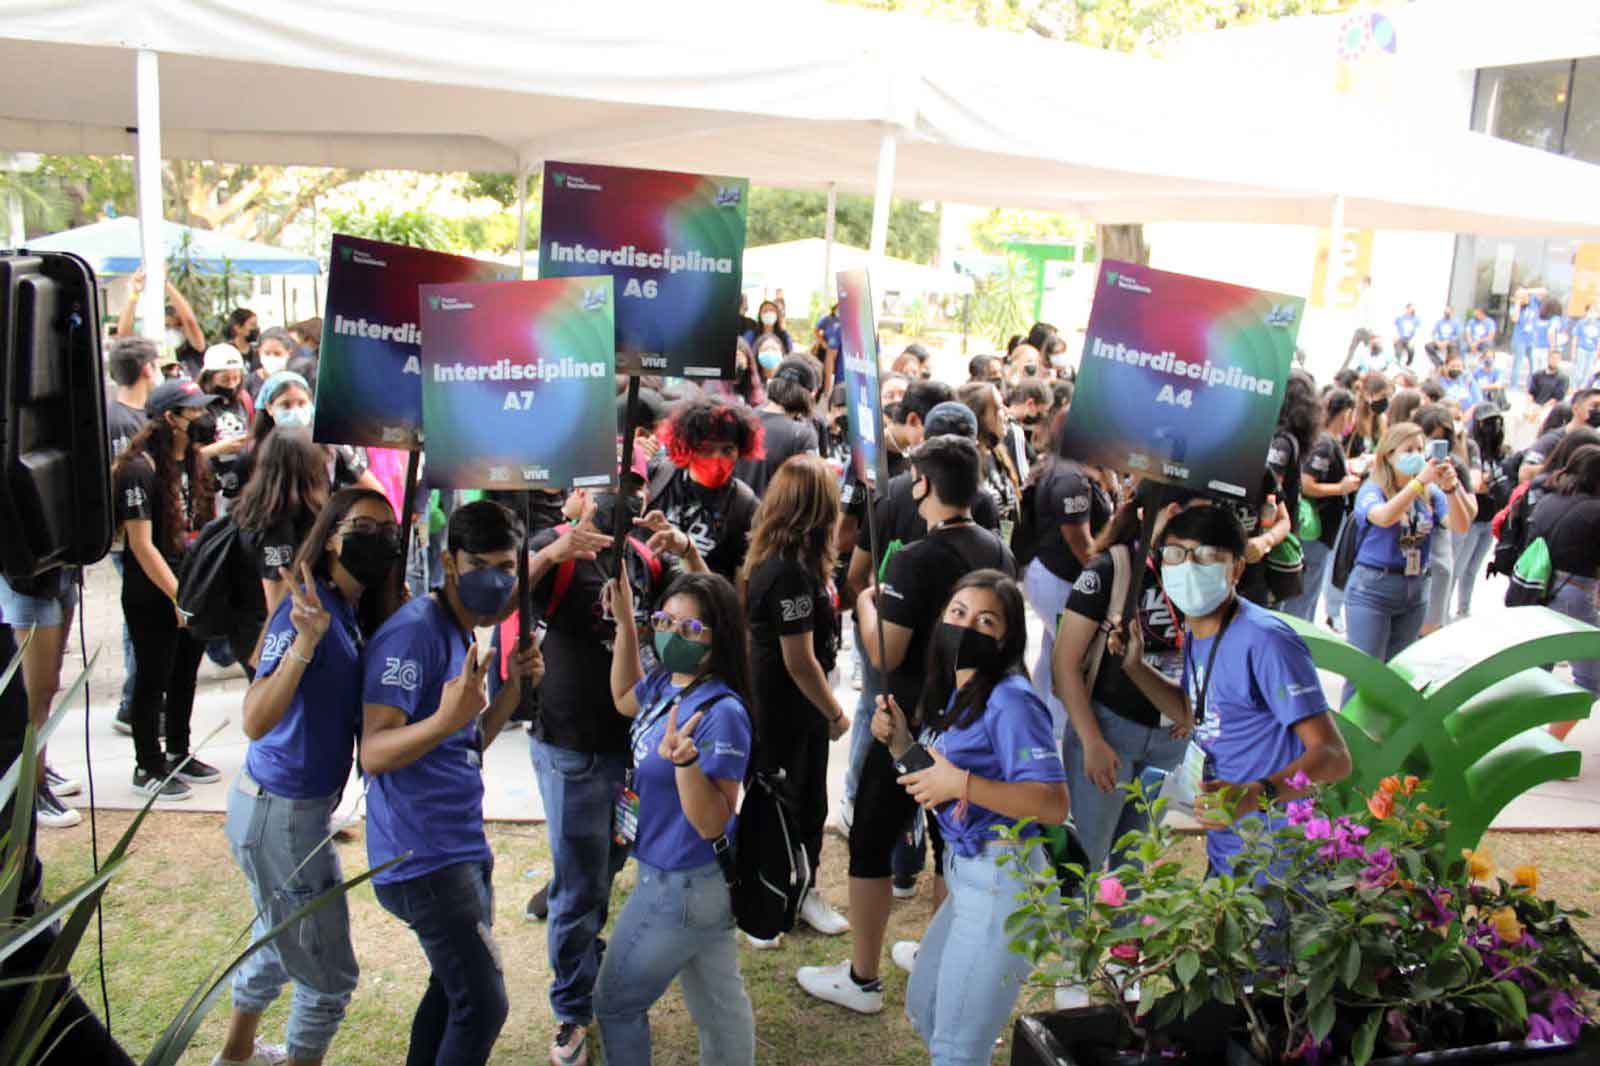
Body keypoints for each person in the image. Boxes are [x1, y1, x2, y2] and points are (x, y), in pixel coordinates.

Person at [800, 434, 1016, 1015]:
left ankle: (863, 976)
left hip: (910, 729)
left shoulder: (918, 558)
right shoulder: (999, 550)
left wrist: (868, 603)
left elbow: (886, 655)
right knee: (951, 843)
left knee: (871, 840)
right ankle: (940, 962)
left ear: (922, 482)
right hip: (970, 726)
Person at [214, 488, 403, 1066]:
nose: (378, 541)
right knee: (330, 977)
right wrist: (304, 641)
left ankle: (236, 1054)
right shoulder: (309, 607)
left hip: (285, 810)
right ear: (332, 535)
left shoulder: (347, 608)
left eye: (388, 532)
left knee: (278, 939)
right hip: (281, 813)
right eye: (364, 528)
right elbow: (254, 717)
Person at [361, 500, 543, 1066]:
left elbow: (462, 743)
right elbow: (374, 750)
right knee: (485, 1005)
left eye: (508, 568)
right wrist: (444, 717)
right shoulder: (413, 634)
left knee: (452, 991)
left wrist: (511, 691)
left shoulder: (463, 633)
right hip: (424, 858)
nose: (496, 580)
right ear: (448, 562)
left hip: (461, 846)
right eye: (481, 565)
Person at [873, 571, 1068, 1064]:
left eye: (986, 621)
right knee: (926, 1009)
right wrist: (900, 743)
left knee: (957, 1049)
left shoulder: (1011, 699)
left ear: (1007, 638)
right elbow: (936, 778)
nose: (966, 627)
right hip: (969, 878)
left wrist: (962, 785)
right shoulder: (963, 690)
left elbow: (1052, 802)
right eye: (958, 614)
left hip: (1007, 880)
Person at [524, 487, 688, 1066]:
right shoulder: (557, 550)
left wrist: (686, 549)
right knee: (580, 887)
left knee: (609, 864)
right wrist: (555, 552)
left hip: (629, 752)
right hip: (571, 749)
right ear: (580, 507)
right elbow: (505, 592)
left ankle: (581, 945)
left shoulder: (644, 560)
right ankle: (571, 1008)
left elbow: (705, 599)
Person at [1115, 504, 1353, 875]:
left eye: (1207, 557)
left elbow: (1334, 756)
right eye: (1176, 555)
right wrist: (1135, 667)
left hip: (1278, 855)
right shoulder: (1199, 629)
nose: (1189, 567)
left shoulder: (1265, 641)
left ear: (1237, 569)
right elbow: (1197, 712)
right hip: (1229, 846)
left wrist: (1256, 794)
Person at [593, 571, 757, 1066]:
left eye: (690, 629)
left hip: (681, 883)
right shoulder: (670, 681)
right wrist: (626, 624)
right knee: (720, 1008)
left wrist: (685, 764)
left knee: (615, 1003)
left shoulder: (721, 712)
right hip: (690, 886)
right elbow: (626, 698)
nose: (672, 635)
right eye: (665, 621)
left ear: (718, 637)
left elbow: (713, 822)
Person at [739, 456, 851, 945]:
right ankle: (764, 903)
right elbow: (799, 660)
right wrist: (834, 711)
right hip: (782, 710)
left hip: (793, 709)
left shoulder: (799, 563)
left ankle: (800, 890)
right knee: (778, 805)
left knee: (807, 803)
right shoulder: (787, 573)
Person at [1054, 492, 1193, 867]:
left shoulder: (1199, 575)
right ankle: (1074, 927)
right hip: (1108, 732)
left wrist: (1188, 708)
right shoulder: (1110, 568)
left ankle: (1128, 926)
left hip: (1170, 742)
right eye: (1180, 513)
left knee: (1134, 863)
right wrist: (1092, 740)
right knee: (1086, 857)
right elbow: (1064, 663)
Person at [112, 379, 225, 800]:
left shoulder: (195, 462)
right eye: (192, 411)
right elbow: (141, 545)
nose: (202, 419)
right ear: (169, 418)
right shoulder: (139, 469)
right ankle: (148, 763)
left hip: (190, 585)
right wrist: (178, 596)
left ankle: (179, 750)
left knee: (184, 674)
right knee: (152, 676)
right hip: (153, 590)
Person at [1340, 423, 1474, 705]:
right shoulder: (1372, 489)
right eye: (1408, 450)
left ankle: (1383, 739)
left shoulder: (1431, 494)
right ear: (1389, 455)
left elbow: (1460, 525)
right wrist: (1418, 483)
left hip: (1414, 589)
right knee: (1365, 673)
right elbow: (1384, 516)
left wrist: (1451, 487)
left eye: (1420, 449)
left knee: (1397, 674)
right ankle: (1350, 742)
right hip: (1373, 588)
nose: (1417, 455)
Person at [1020, 419, 1115, 735]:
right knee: (1071, 659)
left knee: (1053, 652)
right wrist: (1103, 586)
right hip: (1060, 580)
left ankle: (1035, 723)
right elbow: (1082, 544)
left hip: (1051, 576)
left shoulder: (1068, 470)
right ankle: (1061, 731)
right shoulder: (1070, 479)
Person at [230, 427, 332, 671]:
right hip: (276, 638)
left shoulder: (258, 507)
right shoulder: (277, 523)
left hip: (259, 629)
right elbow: (277, 599)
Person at [105, 336, 162, 737]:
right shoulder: (122, 421)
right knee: (139, 620)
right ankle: (132, 703)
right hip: (132, 536)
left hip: (146, 533)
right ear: (146, 369)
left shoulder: (131, 415)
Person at [1526, 445, 1600, 742]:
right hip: (1576, 594)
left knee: (1536, 671)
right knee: (1591, 679)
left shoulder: (1547, 501)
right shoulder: (1595, 511)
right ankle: (1549, 741)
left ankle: (1522, 737)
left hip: (1536, 591)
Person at [647, 398, 762, 581]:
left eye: (727, 450)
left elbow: (740, 589)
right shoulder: (657, 476)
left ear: (740, 450)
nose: (717, 458)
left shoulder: (745, 507)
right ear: (686, 447)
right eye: (706, 449)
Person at [1282, 387, 1363, 622]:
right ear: (1346, 412)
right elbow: (1307, 484)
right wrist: (1341, 488)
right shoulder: (1325, 443)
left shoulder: (1329, 441)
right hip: (1315, 533)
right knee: (1303, 595)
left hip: (1321, 533)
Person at [1414, 404, 1479, 636]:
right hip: (1400, 564)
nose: (1434, 447)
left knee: (1428, 631)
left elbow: (1466, 517)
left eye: (1442, 440)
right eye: (1430, 439)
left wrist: (1451, 487)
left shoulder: (1454, 466)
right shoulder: (1405, 462)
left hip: (1437, 560)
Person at [732, 355, 821, 497]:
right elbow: (811, 492)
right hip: (777, 518)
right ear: (811, 394)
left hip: (737, 514)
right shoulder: (802, 435)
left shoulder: (743, 418)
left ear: (772, 384)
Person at [1456, 404, 1512, 620]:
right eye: (1487, 422)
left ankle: (1463, 609)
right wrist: (1488, 482)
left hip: (1490, 517)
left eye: (1496, 421)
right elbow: (1475, 484)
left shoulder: (1503, 452)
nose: (1493, 427)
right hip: (1471, 517)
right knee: (1459, 566)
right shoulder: (1470, 449)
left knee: (1472, 568)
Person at [958, 381, 1024, 531]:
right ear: (980, 416)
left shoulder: (996, 451)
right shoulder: (964, 460)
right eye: (999, 408)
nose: (1007, 412)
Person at [198, 343, 256, 503]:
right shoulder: (197, 405)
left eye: (236, 378)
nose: (231, 384)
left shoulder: (243, 398)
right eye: (225, 379)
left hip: (241, 478)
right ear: (209, 377)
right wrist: (216, 449)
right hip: (210, 482)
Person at [115, 266, 207, 365]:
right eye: (167, 326)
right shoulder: (148, 345)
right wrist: (135, 293)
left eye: (177, 326)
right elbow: (124, 334)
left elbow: (189, 320)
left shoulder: (194, 347)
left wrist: (165, 283)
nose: (171, 331)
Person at [1520, 388, 1600, 482]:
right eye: (1595, 406)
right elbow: (1525, 472)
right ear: (1576, 408)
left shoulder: (1596, 441)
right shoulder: (1553, 439)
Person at [245, 327, 299, 402]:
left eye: (277, 353)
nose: (272, 357)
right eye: (267, 353)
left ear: (289, 353)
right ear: (259, 352)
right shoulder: (248, 382)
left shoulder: (296, 381)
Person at [1511, 290, 1542, 391]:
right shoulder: (1515, 307)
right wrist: (1518, 304)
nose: (1521, 299)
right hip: (1520, 339)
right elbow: (1514, 319)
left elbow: (1544, 291)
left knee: (1534, 365)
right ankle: (1513, 386)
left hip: (1532, 339)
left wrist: (1527, 291)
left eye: (1522, 297)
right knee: (1518, 364)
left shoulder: (1534, 301)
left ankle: (1531, 387)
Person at [1528, 346, 1571, 412]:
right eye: (1552, 358)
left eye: (1557, 359)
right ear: (1548, 359)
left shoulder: (1563, 378)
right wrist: (1529, 407)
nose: (1554, 361)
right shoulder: (1537, 374)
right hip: (1535, 405)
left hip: (1551, 409)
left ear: (1560, 360)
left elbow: (1557, 398)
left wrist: (1540, 410)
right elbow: (1531, 393)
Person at [814, 303, 843, 386]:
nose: (839, 311)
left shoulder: (844, 321)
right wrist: (823, 342)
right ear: (834, 309)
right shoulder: (827, 319)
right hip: (826, 349)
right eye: (837, 309)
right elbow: (816, 330)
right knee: (824, 372)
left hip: (838, 350)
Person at [1574, 305, 1600, 388]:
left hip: (1592, 351)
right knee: (1579, 371)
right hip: (1582, 349)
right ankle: (1576, 388)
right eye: (1591, 311)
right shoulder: (1581, 323)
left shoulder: (1598, 324)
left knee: (1589, 371)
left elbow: (1598, 340)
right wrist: (1573, 352)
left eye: (1595, 311)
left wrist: (1598, 352)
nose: (1592, 313)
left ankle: (1584, 388)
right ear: (1586, 312)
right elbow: (1575, 337)